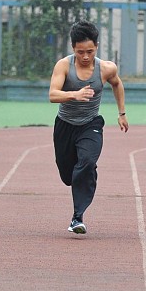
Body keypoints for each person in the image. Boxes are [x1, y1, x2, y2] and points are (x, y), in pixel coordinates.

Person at [47, 21, 128, 235]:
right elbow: (53, 95)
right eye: (80, 52)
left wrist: (121, 113)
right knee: (68, 176)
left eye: (90, 52)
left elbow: (117, 84)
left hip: (90, 124)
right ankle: (82, 175)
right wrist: (75, 94)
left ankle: (77, 217)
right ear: (73, 48)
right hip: (65, 125)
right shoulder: (64, 66)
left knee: (87, 162)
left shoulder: (106, 68)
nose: (85, 56)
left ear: (97, 47)